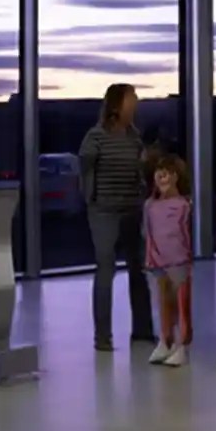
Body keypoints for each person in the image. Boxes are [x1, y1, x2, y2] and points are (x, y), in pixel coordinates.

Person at [80, 83, 154, 351]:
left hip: (132, 210)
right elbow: (85, 169)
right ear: (118, 103)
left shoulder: (134, 136)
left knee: (138, 269)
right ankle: (102, 336)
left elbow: (140, 171)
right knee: (105, 270)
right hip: (104, 213)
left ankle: (143, 331)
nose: (136, 102)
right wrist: (91, 199)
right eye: (131, 97)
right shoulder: (95, 136)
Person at [144, 154, 193, 367]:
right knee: (163, 302)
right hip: (157, 261)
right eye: (159, 172)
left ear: (176, 177)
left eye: (168, 173)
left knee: (181, 304)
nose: (162, 177)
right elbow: (147, 233)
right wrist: (150, 257)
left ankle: (182, 345)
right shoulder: (150, 206)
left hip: (179, 261)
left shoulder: (183, 205)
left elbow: (186, 234)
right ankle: (165, 339)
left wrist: (187, 258)